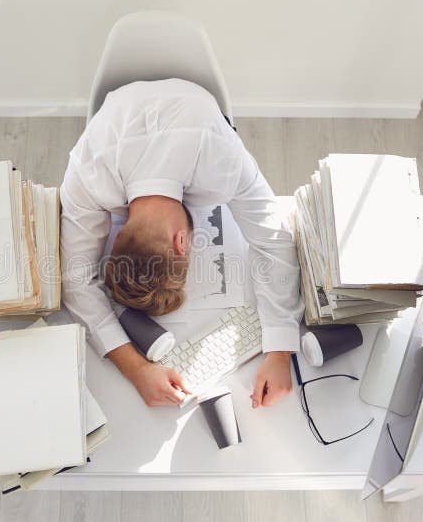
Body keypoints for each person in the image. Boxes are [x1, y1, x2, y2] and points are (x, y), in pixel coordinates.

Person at [60, 78, 303, 409]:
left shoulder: (222, 158)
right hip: (125, 121)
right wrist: (136, 369)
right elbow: (74, 281)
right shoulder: (87, 174)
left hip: (195, 118)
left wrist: (280, 351)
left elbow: (274, 238)